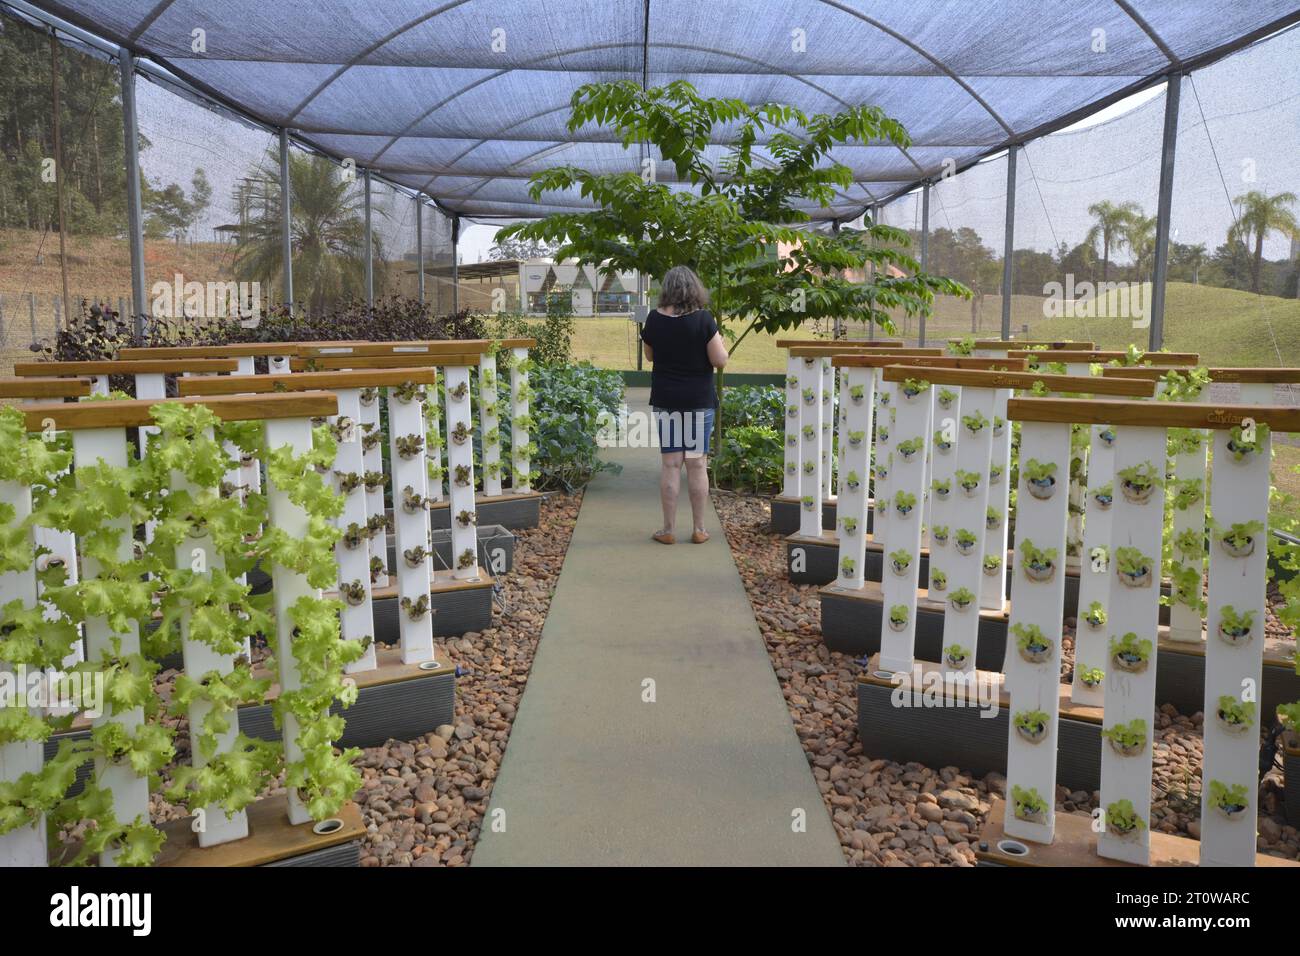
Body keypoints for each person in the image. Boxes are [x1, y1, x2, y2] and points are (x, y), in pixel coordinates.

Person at [640, 264, 729, 545]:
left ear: (667, 289)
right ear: (694, 288)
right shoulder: (704, 320)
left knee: (670, 465)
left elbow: (650, 356)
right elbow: (720, 360)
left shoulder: (654, 319)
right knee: (696, 464)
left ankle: (668, 530)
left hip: (667, 400)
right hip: (698, 401)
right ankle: (699, 529)